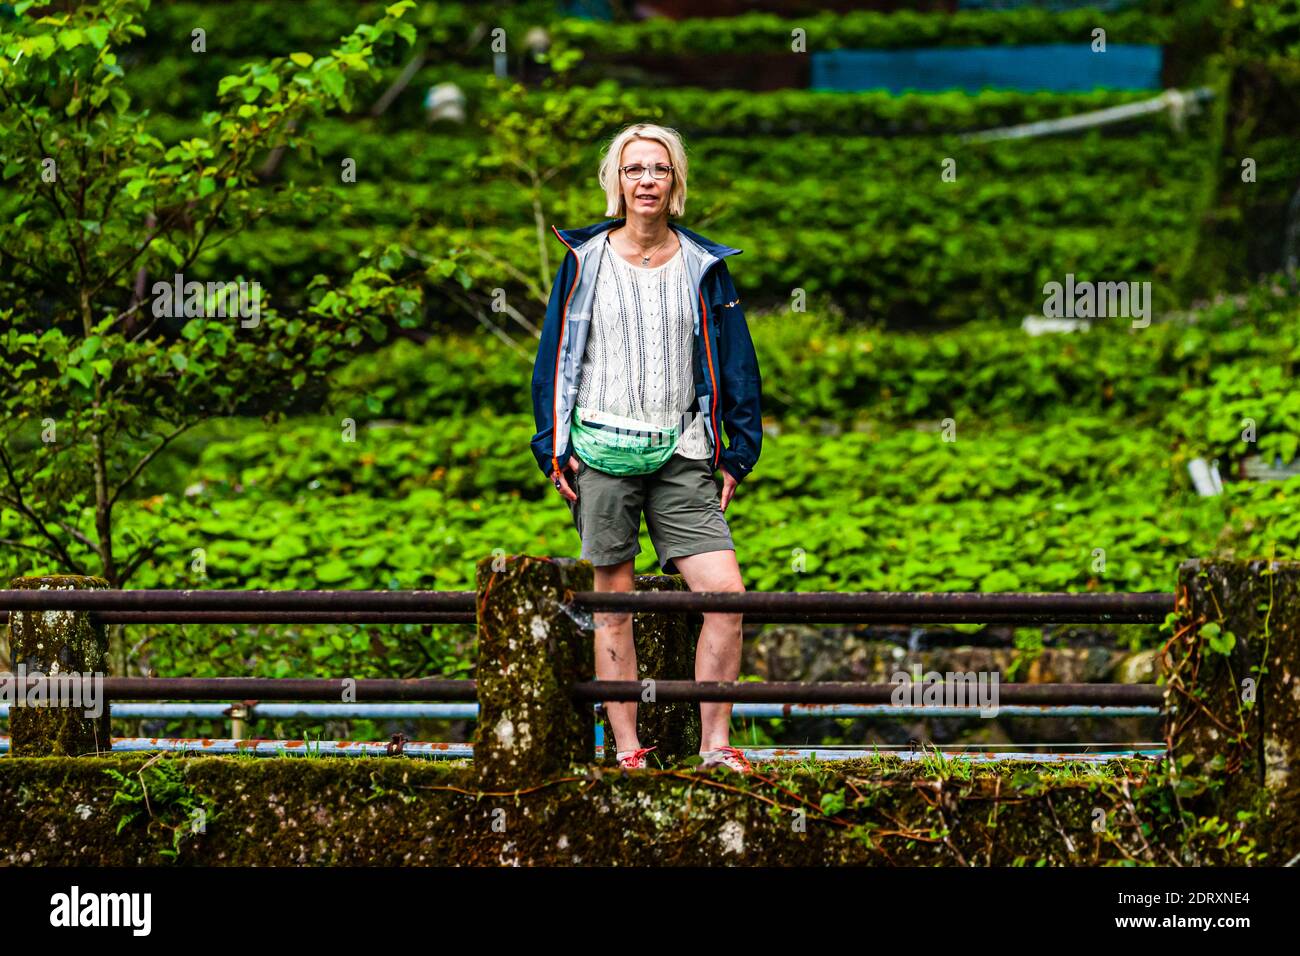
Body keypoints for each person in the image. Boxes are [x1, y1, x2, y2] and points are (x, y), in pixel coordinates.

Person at [530, 122, 763, 772]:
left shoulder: (703, 267)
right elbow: (554, 362)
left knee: (725, 596)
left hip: (683, 449)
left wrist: (734, 455)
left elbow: (737, 365)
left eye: (658, 169)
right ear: (617, 183)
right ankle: (630, 751)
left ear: (675, 181)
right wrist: (554, 448)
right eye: (634, 170)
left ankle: (716, 745)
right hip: (600, 449)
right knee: (614, 604)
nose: (647, 181)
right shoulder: (584, 262)